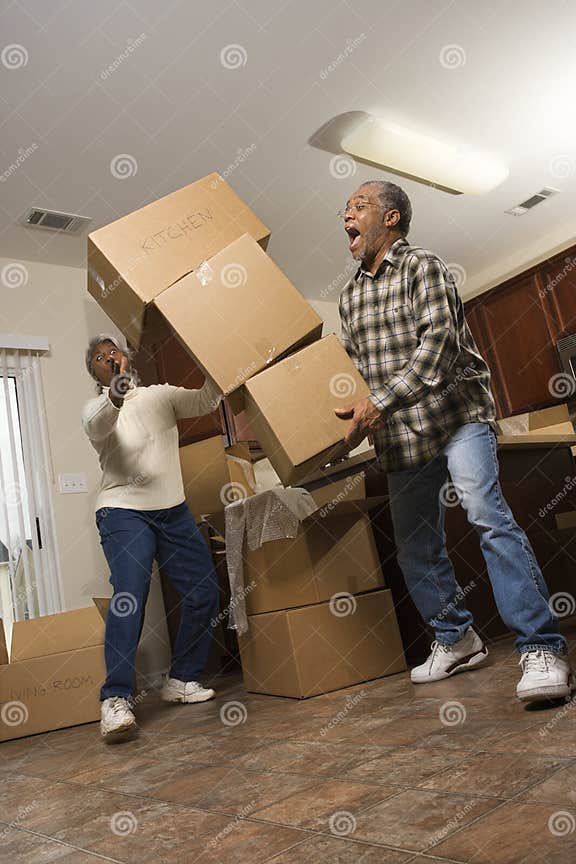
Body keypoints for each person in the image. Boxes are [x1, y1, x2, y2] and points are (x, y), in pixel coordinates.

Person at [336, 180, 573, 703]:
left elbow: (438, 348)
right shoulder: (349, 297)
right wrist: (360, 409)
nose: (346, 216)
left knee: (486, 513)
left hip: (457, 414)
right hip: (402, 433)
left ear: (391, 217)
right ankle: (457, 638)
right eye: (344, 210)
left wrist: (379, 403)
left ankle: (541, 647)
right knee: (415, 545)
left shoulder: (424, 267)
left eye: (358, 206)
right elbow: (361, 374)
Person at [83, 333, 222, 741]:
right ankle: (115, 699)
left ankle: (181, 679)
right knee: (130, 593)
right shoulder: (96, 408)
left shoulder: (161, 395)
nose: (109, 356)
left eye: (113, 350)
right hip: (122, 510)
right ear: (94, 371)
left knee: (203, 591)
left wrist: (216, 360)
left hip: (172, 509)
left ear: (127, 357)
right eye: (98, 356)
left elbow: (207, 400)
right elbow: (102, 422)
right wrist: (117, 391)